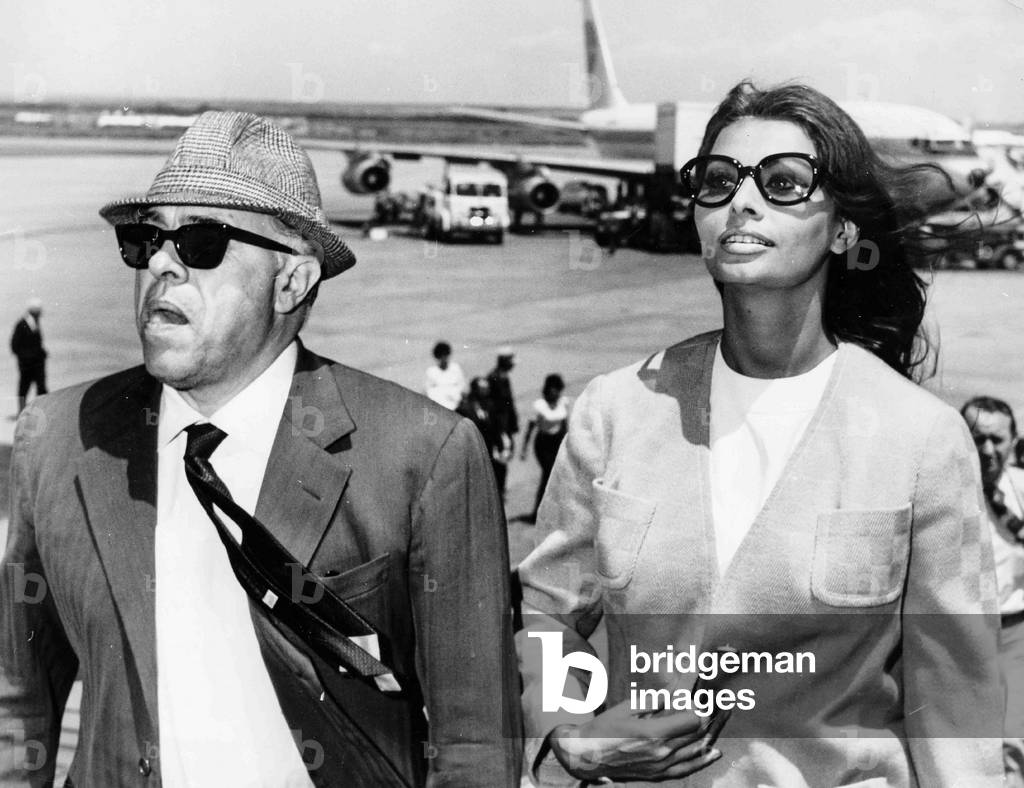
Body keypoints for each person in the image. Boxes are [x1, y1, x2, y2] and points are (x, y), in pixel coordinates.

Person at [0, 111, 521, 787]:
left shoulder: (423, 458)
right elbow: (15, 703)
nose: (160, 263)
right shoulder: (59, 437)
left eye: (202, 243)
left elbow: (476, 743)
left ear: (292, 282)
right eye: (146, 238)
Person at [516, 81, 1003, 786]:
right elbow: (548, 614)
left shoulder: (920, 440)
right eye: (718, 181)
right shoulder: (613, 412)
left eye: (782, 183)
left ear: (841, 229)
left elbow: (957, 703)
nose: (742, 201)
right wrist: (568, 726)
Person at [962, 396, 1024, 785]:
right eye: (977, 438)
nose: (987, 449)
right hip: (958, 634)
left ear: (1014, 440)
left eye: (997, 440)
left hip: (1014, 632)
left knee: (1013, 733)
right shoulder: (944, 486)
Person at [519, 374, 571, 522]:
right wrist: (524, 449)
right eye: (552, 389)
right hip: (543, 444)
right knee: (548, 473)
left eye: (557, 389)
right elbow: (530, 428)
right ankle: (539, 511)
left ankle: (556, 512)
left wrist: (567, 445)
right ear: (547, 389)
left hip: (557, 442)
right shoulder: (540, 405)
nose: (555, 393)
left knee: (560, 476)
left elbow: (565, 425)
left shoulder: (563, 403)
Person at [486, 347, 519, 501]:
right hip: (498, 428)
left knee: (503, 459)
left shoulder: (503, 377)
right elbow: (494, 407)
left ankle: (499, 491)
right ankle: (497, 492)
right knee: (498, 460)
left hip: (504, 426)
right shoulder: (495, 378)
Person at [9, 298, 47, 414]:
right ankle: (21, 411)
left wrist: (42, 353)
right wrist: (25, 357)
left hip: (37, 363)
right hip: (27, 364)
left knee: (41, 388)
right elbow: (14, 345)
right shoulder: (22, 324)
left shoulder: (34, 322)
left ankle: (44, 409)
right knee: (23, 388)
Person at [424, 340, 467, 410]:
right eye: (441, 356)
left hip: (455, 407)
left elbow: (462, 387)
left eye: (445, 355)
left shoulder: (456, 368)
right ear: (437, 357)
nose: (443, 358)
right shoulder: (431, 371)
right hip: (438, 407)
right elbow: (428, 391)